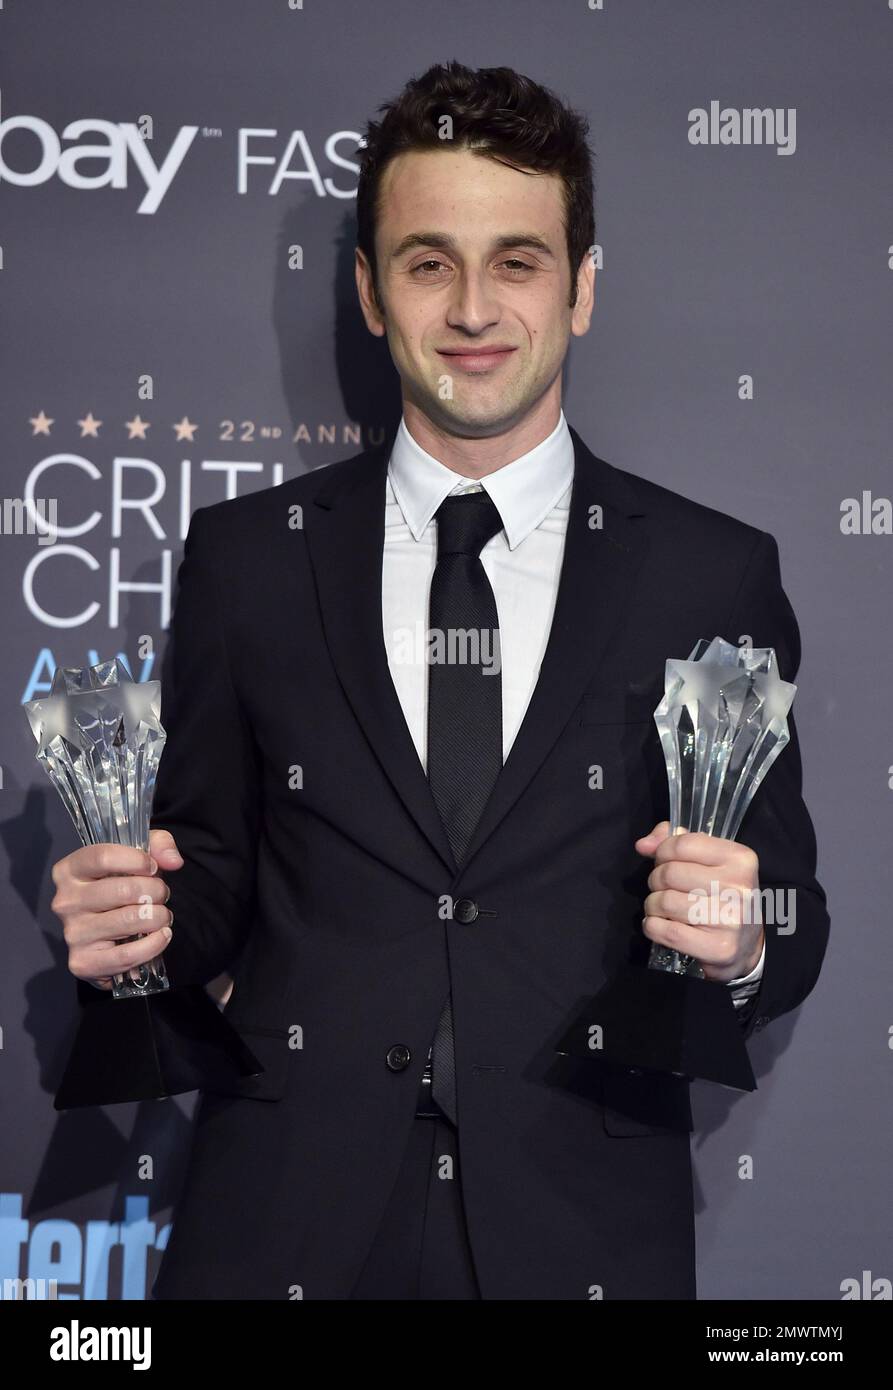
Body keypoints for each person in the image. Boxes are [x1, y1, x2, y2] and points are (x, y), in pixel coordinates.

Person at [50, 60, 829, 1300]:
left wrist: (737, 940)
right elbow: (210, 882)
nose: (473, 307)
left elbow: (789, 916)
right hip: (282, 1221)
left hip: (584, 1227)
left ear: (579, 288)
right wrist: (131, 928)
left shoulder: (708, 573)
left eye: (516, 261)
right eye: (427, 262)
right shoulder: (249, 563)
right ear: (370, 292)